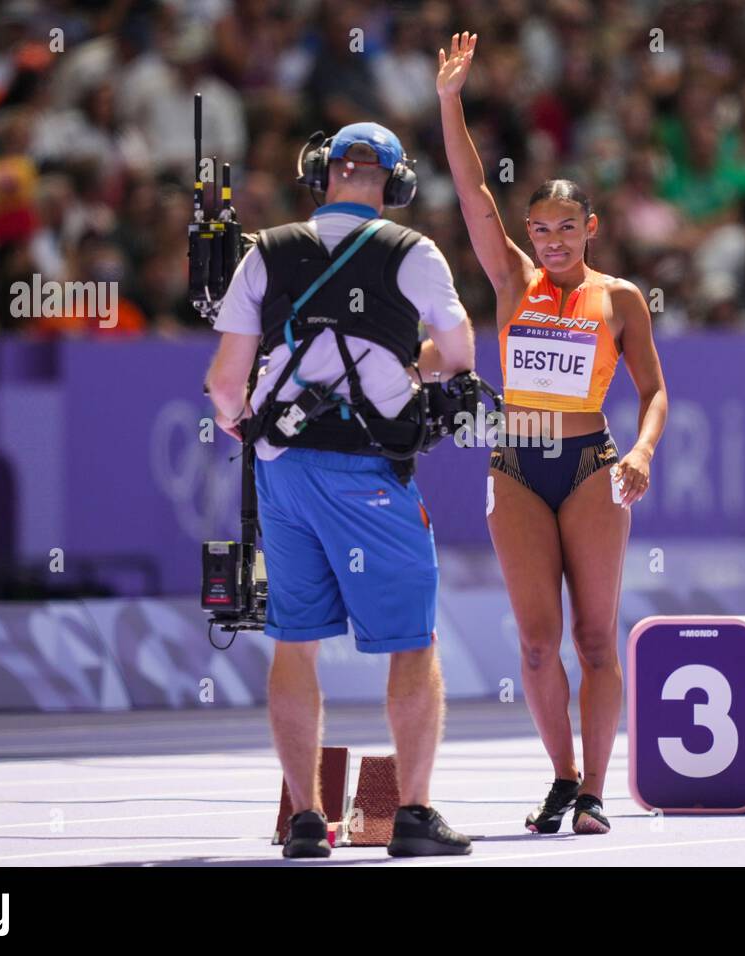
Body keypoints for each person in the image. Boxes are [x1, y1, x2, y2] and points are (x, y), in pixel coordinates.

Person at [204, 122, 476, 858]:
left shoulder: (264, 252)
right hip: (366, 472)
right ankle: (413, 816)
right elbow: (458, 356)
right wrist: (393, 358)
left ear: (321, 173)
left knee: (294, 639)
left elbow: (224, 387)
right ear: (395, 185)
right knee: (412, 642)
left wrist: (242, 424)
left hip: (282, 470)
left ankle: (303, 822)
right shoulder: (413, 253)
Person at [437, 33, 668, 834]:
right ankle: (563, 778)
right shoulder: (511, 281)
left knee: (596, 635)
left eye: (567, 228)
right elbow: (473, 197)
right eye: (542, 229)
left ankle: (599, 789)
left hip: (589, 466)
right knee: (538, 645)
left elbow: (656, 391)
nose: (554, 242)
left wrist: (640, 450)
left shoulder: (621, 298)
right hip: (516, 467)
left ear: (591, 227)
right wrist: (450, 101)